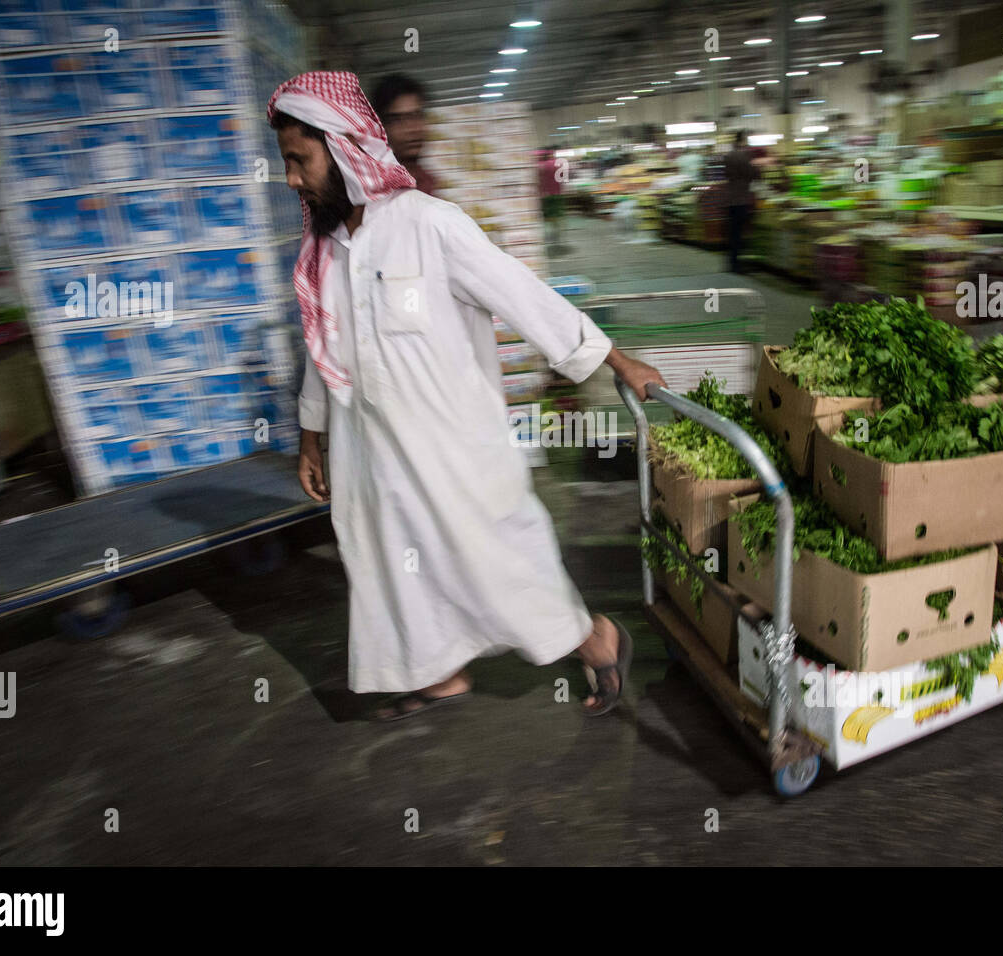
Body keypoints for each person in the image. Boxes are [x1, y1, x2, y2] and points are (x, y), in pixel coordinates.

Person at [268, 72, 666, 720]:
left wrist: (616, 360)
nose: (291, 178)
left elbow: (522, 294)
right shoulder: (324, 252)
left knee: (496, 559)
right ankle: (441, 675)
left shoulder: (430, 224)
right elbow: (323, 351)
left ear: (342, 149)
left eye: (298, 160)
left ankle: (596, 639)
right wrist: (312, 437)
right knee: (393, 567)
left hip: (453, 445)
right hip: (371, 449)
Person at [369, 73, 438, 196]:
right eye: (397, 119)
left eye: (417, 116)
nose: (412, 129)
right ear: (380, 128)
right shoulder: (373, 189)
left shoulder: (426, 181)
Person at [723, 131, 757, 273]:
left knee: (732, 232)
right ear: (743, 140)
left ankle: (732, 263)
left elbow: (727, 174)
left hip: (730, 197)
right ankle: (737, 265)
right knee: (739, 232)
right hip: (741, 198)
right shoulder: (743, 156)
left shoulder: (729, 155)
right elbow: (751, 173)